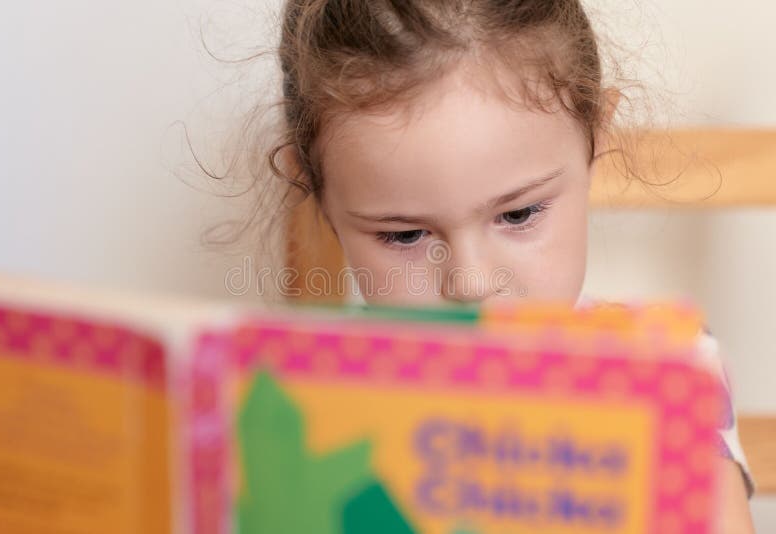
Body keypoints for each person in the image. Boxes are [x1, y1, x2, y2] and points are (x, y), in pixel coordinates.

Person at [241, 1, 756, 529]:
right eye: (405, 235)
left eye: (519, 214)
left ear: (595, 142)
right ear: (314, 188)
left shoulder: (663, 371)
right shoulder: (304, 396)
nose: (471, 282)